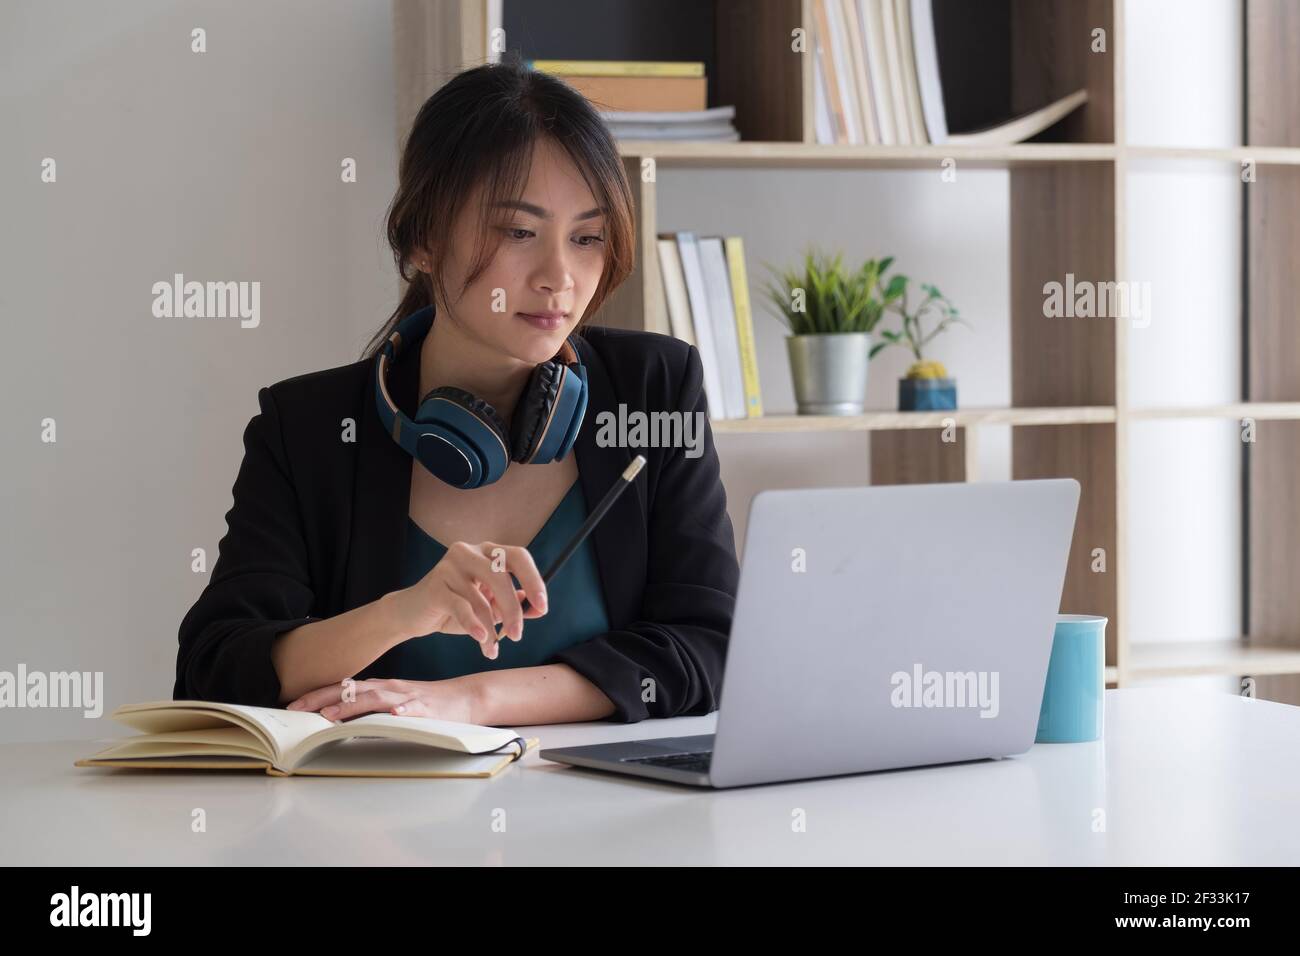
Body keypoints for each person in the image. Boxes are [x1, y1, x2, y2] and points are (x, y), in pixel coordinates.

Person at [173, 58, 740, 726]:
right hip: (373, 822)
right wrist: (401, 613)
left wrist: (472, 699)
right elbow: (213, 673)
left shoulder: (653, 392)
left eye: (587, 237)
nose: (560, 276)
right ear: (423, 240)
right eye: (518, 233)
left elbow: (713, 649)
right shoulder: (308, 429)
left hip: (612, 816)